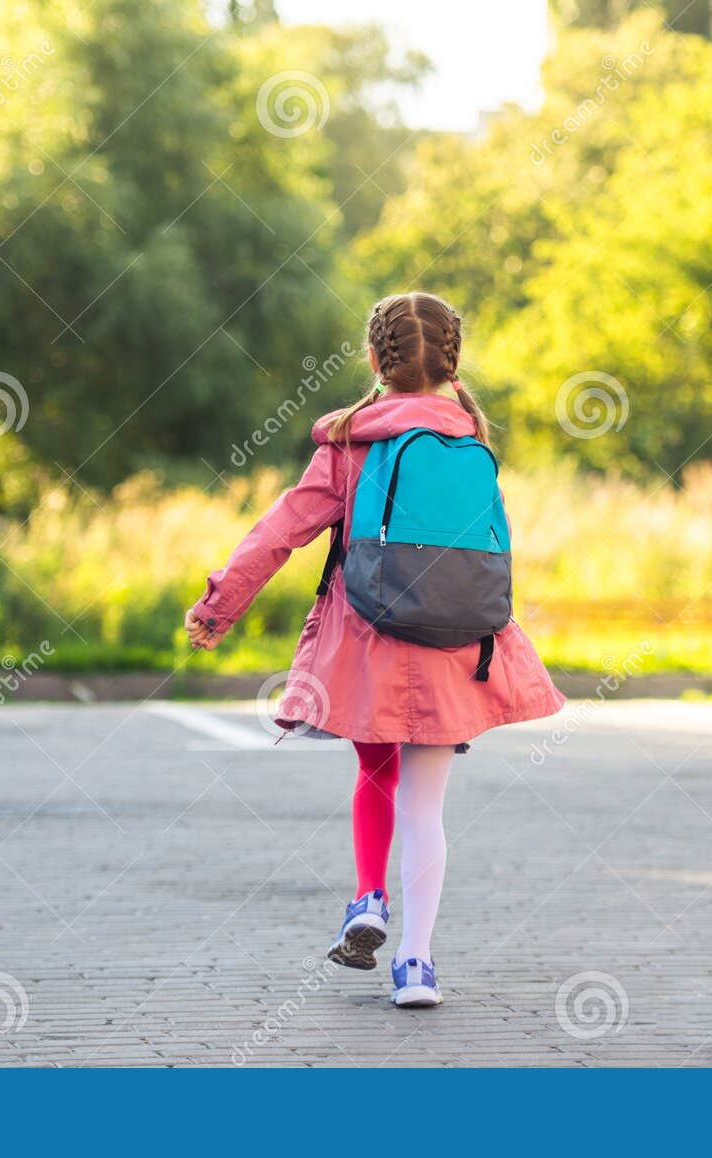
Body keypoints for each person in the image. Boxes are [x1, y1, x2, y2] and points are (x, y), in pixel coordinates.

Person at [187, 291, 564, 1008]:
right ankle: (417, 967)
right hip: (456, 644)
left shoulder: (351, 447)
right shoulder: (471, 441)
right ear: (453, 361)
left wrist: (220, 605)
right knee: (429, 808)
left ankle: (367, 897)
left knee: (374, 771)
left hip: (370, 639)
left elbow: (278, 533)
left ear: (373, 359)